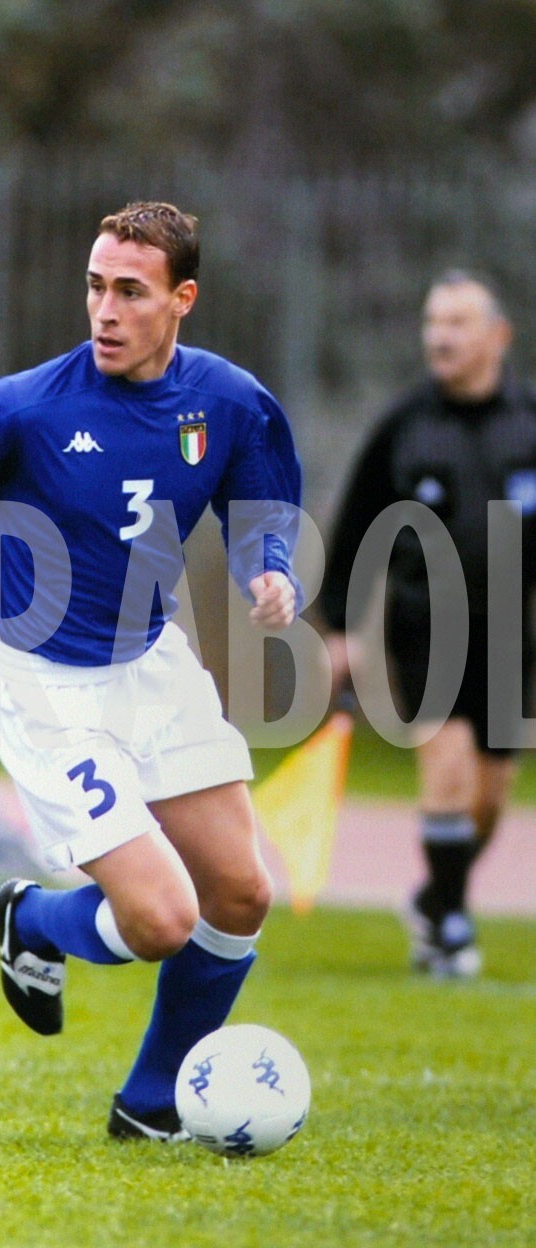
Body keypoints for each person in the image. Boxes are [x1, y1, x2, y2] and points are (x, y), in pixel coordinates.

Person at [0, 202, 303, 1140]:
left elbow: (260, 503)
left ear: (183, 299)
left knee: (241, 893)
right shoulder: (22, 409)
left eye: (131, 291)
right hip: (49, 690)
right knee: (161, 921)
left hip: (154, 664)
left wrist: (271, 570)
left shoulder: (226, 402)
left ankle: (150, 1106)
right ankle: (32, 920)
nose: (106, 310)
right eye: (97, 286)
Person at [319, 270, 535, 978]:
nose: (440, 336)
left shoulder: (528, 421)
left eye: (457, 322)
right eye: (432, 322)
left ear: (498, 336)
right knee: (447, 765)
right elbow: (356, 526)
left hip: (509, 631)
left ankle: (435, 898)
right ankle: (449, 930)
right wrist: (342, 630)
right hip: (426, 623)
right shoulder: (405, 424)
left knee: (490, 797)